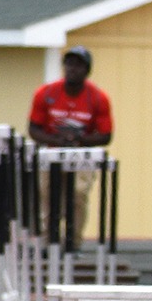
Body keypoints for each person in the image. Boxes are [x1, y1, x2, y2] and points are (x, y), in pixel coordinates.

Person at [27, 45, 114, 249]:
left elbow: (106, 135)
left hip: (81, 155)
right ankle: (47, 242)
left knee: (78, 194)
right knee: (48, 195)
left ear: (87, 70)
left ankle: (73, 243)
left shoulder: (98, 98)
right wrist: (58, 141)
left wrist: (79, 140)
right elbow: (33, 129)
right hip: (52, 152)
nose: (73, 69)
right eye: (69, 64)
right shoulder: (46, 93)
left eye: (78, 65)